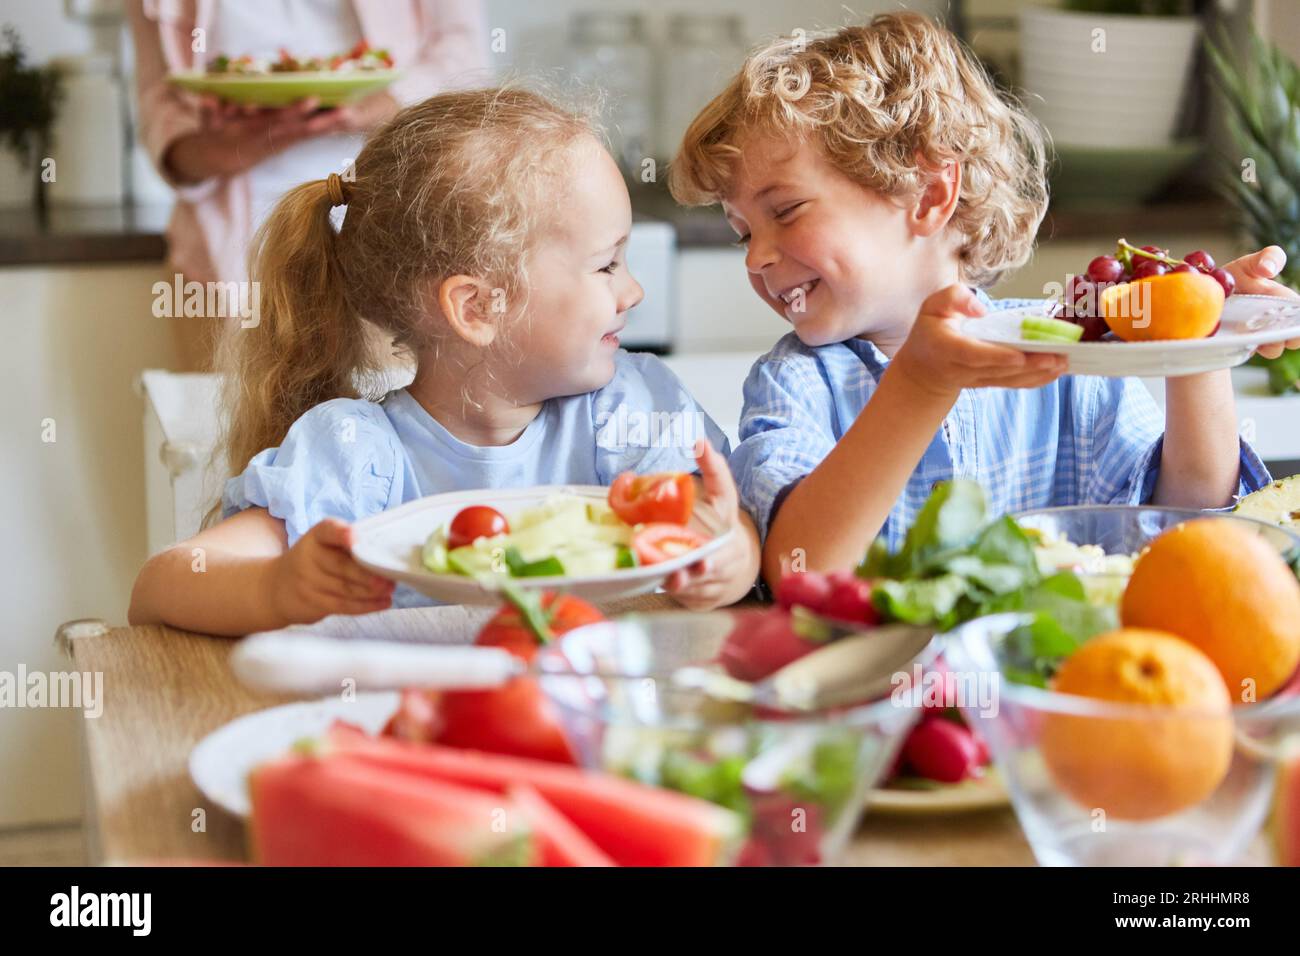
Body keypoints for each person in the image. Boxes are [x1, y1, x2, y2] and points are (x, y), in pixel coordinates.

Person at [669, 12, 1300, 586]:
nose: (756, 257)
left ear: (929, 195)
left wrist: (1201, 345)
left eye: (786, 210)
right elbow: (797, 569)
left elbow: (1184, 525)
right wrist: (919, 381)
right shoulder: (794, 385)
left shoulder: (1067, 355)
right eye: (742, 232)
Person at [128, 88, 762, 636]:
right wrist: (274, 590)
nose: (633, 292)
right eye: (606, 265)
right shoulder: (357, 453)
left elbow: (720, 524)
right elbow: (161, 587)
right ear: (478, 308)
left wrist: (729, 557)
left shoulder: (631, 410)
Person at [129, 0, 489, 368]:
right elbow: (163, 118)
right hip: (221, 258)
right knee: (231, 421)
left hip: (396, 241)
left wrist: (386, 104)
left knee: (384, 411)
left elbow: (466, 61)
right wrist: (240, 144)